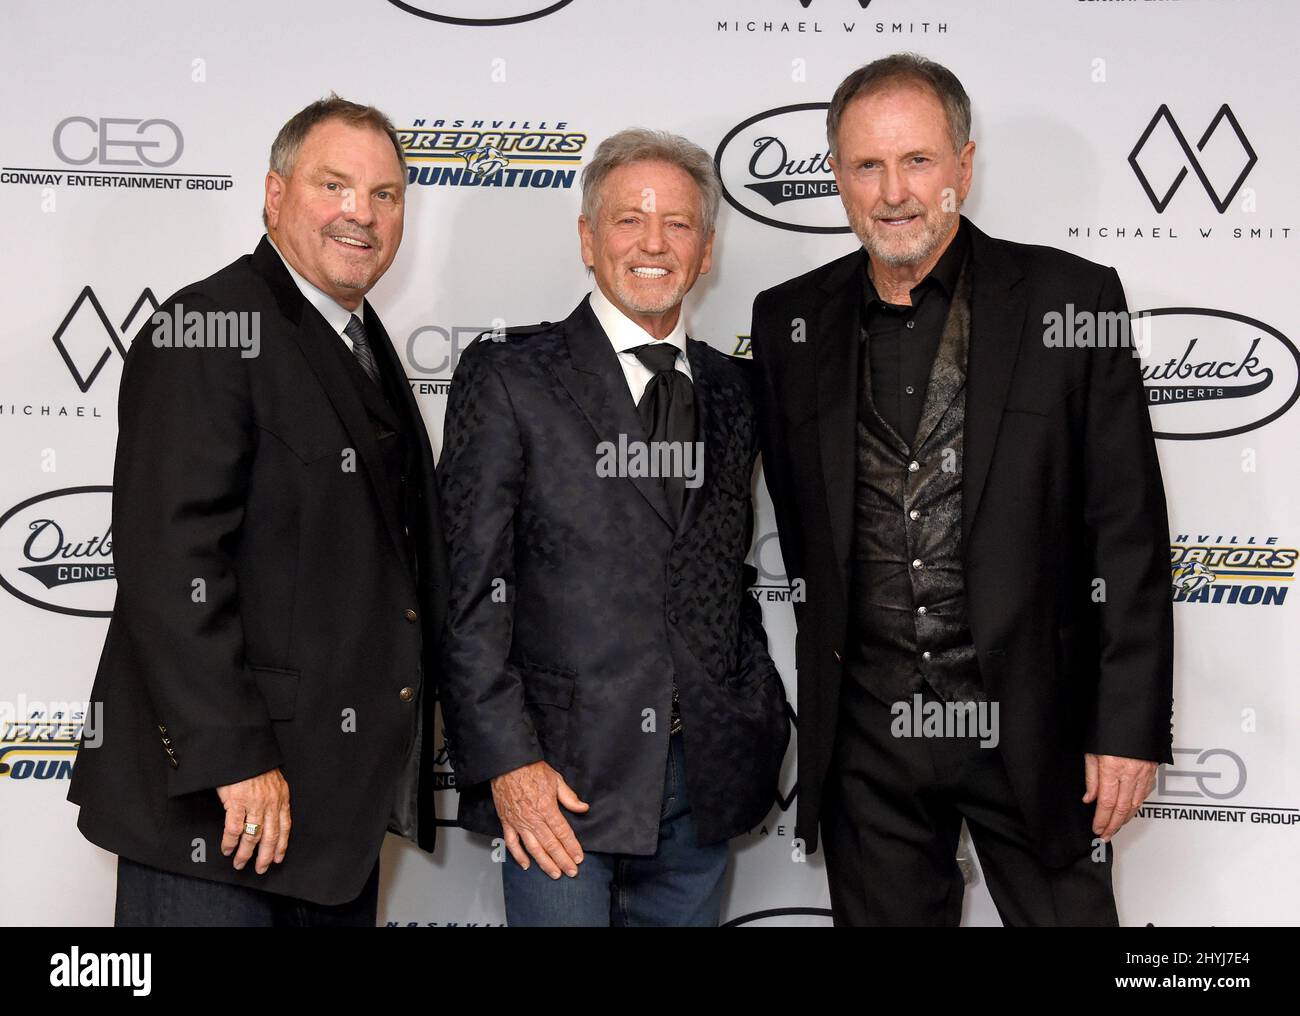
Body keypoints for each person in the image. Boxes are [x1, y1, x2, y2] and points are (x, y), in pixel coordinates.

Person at [750, 54, 1174, 926]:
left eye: (918, 161)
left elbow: (1127, 531)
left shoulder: (1072, 298)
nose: (894, 190)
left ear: (964, 168)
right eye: (868, 165)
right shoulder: (787, 320)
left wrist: (1126, 725)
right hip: (869, 735)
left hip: (1035, 723)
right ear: (836, 177)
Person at [67, 95, 448, 926]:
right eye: (335, 185)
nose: (362, 213)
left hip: (328, 828)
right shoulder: (207, 327)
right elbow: (170, 567)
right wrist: (235, 761)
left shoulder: (360, 339)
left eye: (385, 195)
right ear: (274, 195)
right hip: (221, 821)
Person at [438, 128, 789, 927]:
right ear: (589, 241)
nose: (654, 243)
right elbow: (467, 590)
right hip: (560, 781)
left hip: (700, 780)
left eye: (679, 224)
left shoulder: (736, 392)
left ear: (706, 252)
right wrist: (508, 760)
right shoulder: (511, 376)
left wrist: (749, 707)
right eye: (630, 219)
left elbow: (721, 569)